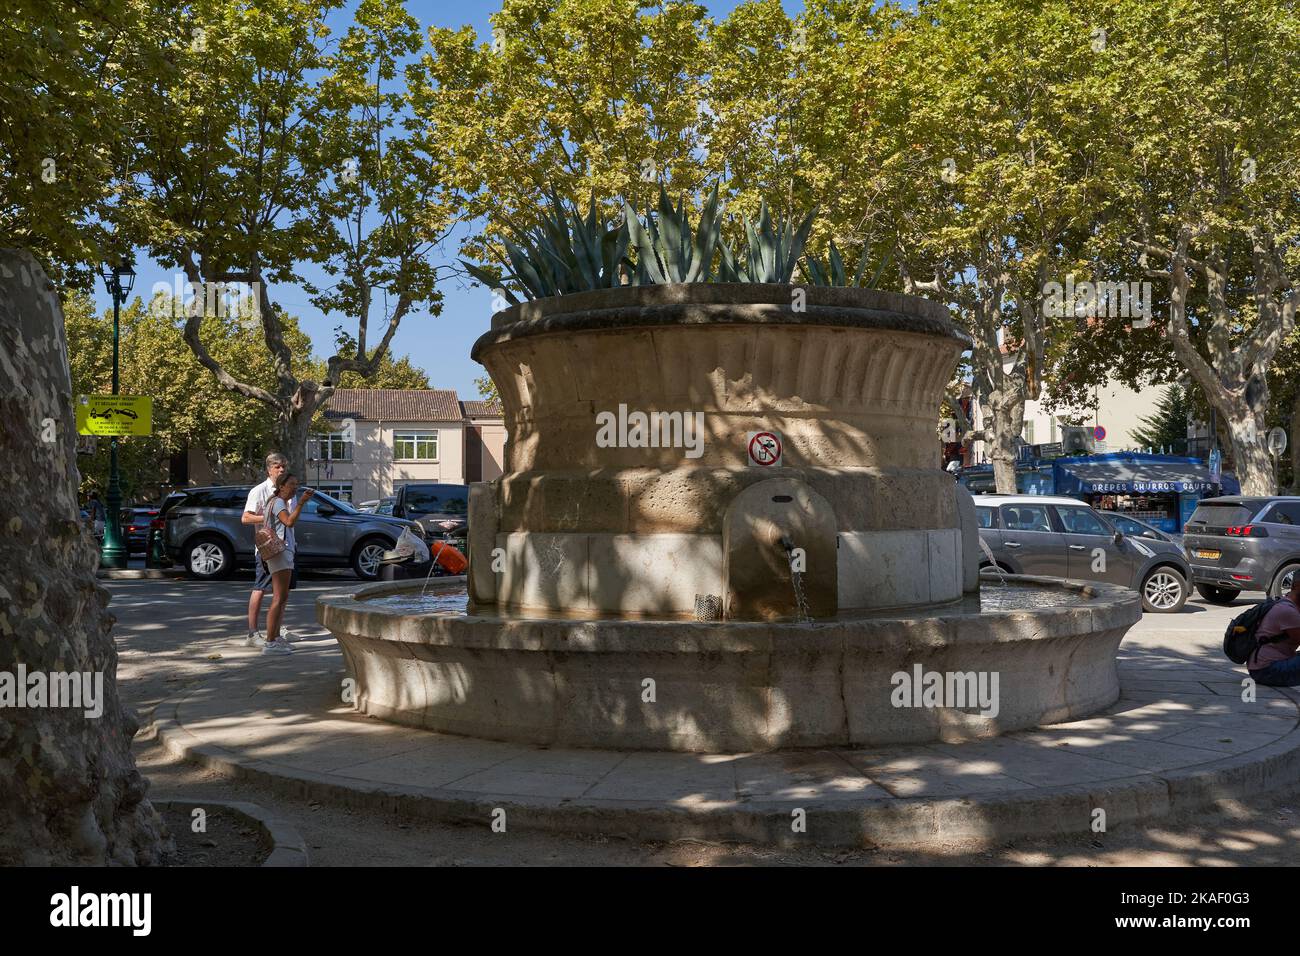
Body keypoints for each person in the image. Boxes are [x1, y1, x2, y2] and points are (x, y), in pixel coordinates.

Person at [240, 453, 299, 648]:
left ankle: (276, 631)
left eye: (283, 466)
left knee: (282, 594)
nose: (281, 469)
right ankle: (252, 633)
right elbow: (246, 518)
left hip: (287, 546)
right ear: (268, 469)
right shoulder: (259, 491)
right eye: (277, 467)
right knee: (260, 588)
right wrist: (269, 516)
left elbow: (290, 519)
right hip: (268, 550)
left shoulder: (289, 491)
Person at [260, 472, 314, 655]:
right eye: (292, 484)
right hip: (280, 553)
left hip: (281, 552)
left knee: (281, 598)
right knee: (278, 598)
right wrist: (301, 503)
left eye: (296, 484)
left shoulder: (272, 501)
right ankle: (270, 642)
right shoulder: (278, 503)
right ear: (281, 486)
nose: (295, 488)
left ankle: (275, 637)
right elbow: (289, 522)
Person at [1246, 574, 1300, 686]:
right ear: (1295, 586)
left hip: (1260, 667)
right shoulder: (1288, 611)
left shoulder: (1285, 603)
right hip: (1267, 670)